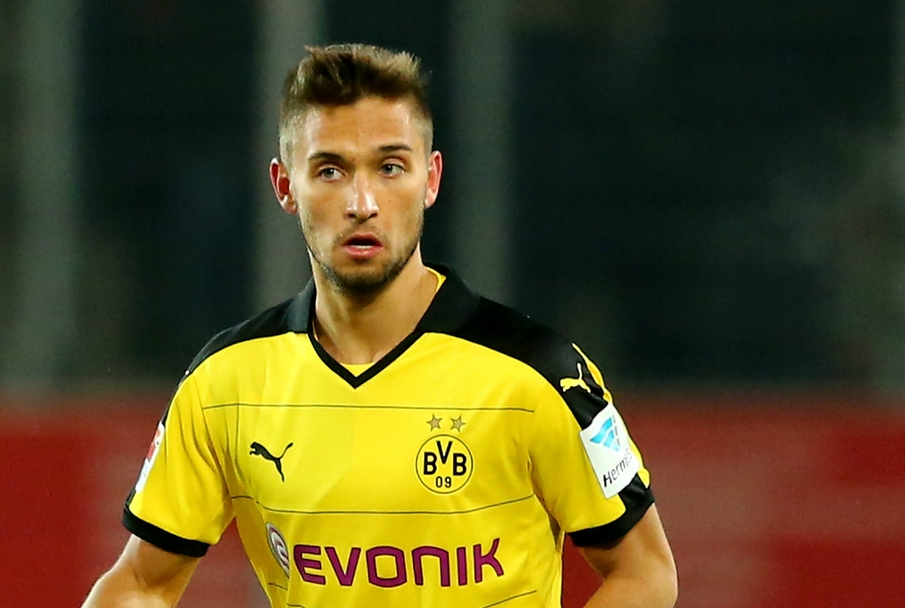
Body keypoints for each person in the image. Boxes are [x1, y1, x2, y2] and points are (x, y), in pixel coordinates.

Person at [81, 43, 677, 608]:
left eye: (390, 167)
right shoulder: (224, 385)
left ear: (431, 179)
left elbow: (646, 572)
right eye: (330, 171)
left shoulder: (539, 376)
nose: (362, 202)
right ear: (285, 186)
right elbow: (141, 582)